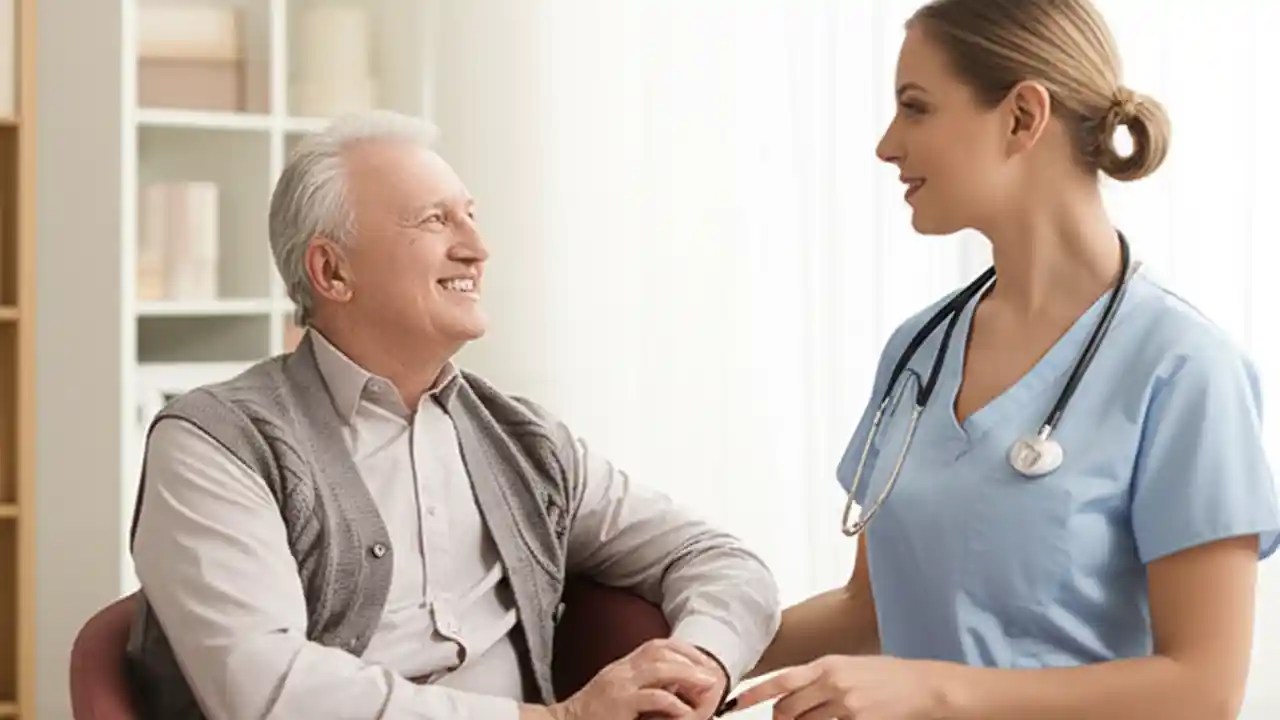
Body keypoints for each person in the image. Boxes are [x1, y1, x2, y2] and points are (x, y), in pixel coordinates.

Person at [127, 111, 780, 720]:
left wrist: (698, 662)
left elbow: (719, 559)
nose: (477, 247)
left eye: (469, 216)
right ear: (331, 271)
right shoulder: (214, 444)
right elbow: (265, 691)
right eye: (434, 221)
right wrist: (559, 718)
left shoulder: (522, 441)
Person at [731, 1, 1280, 718]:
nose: (887, 145)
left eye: (915, 108)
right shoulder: (918, 351)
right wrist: (706, 651)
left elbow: (1202, 690)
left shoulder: (1182, 369)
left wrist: (931, 692)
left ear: (1022, 117)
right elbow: (867, 607)